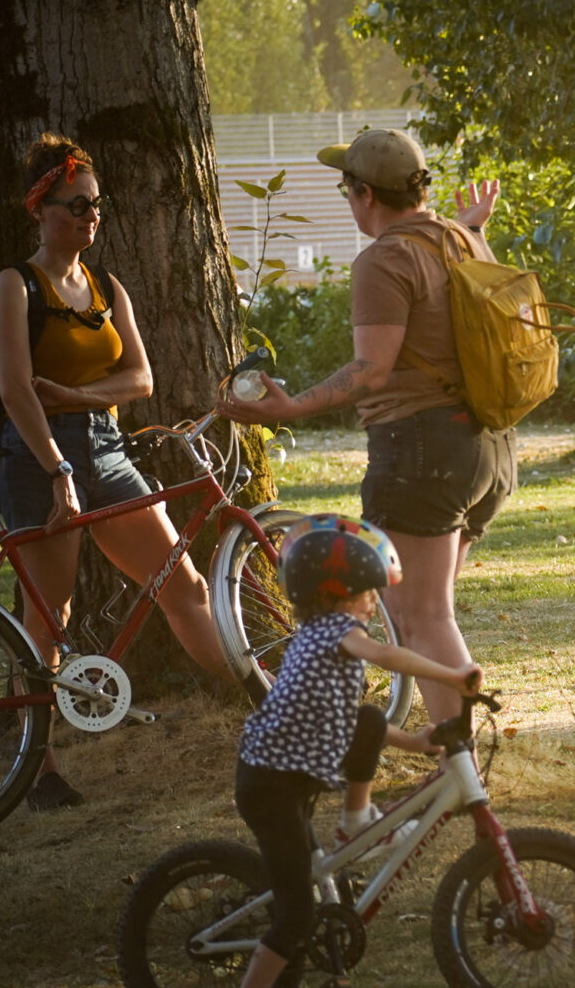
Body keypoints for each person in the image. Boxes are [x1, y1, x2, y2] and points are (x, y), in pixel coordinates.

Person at [220, 128, 508, 726]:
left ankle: (463, 773)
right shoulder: (464, 239)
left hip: (421, 450)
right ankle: (453, 761)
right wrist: (473, 227)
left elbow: (372, 371)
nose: (348, 200)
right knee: (425, 613)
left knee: (423, 618)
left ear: (364, 194)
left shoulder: (384, 259)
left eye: (346, 188)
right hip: (487, 450)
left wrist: (291, 407)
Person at [0, 133, 233, 810]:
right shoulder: (15, 286)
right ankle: (37, 772)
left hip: (107, 447)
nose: (90, 216)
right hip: (38, 458)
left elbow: (140, 378)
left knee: (180, 585)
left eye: (96, 204)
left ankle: (252, 700)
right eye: (76, 205)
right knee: (49, 619)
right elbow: (16, 392)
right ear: (41, 209)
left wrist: (81, 399)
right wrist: (58, 468)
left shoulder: (105, 285)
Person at [235, 514, 483, 988]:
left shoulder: (319, 638)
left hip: (286, 778)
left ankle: (356, 822)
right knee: (295, 917)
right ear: (337, 592)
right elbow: (388, 655)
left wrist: (414, 743)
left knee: (370, 716)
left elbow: (350, 721)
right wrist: (452, 676)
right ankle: (356, 822)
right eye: (370, 593)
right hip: (272, 787)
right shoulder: (337, 633)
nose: (375, 603)